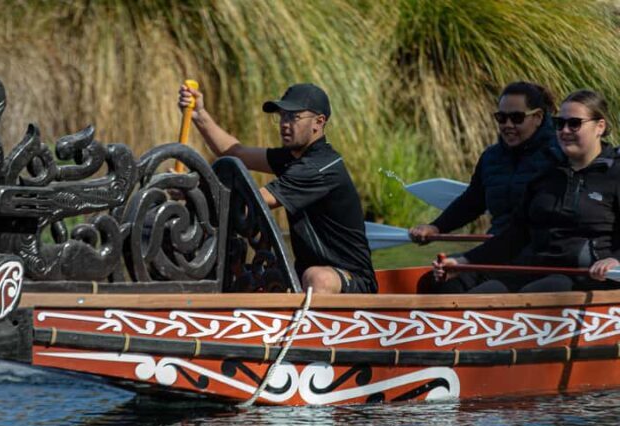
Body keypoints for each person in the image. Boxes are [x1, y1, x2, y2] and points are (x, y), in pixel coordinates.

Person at [178, 82, 376, 294]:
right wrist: (199, 114)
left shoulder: (321, 167)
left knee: (319, 278)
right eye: (282, 116)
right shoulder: (293, 158)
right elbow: (237, 153)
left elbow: (252, 205)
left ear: (318, 122)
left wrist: (193, 191)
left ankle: (314, 326)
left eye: (293, 117)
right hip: (303, 276)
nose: (284, 123)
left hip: (353, 282)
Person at [434, 89, 620, 293]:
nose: (565, 130)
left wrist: (615, 259)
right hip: (537, 270)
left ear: (599, 127)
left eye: (574, 123)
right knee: (483, 293)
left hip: (590, 278)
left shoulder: (615, 174)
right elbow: (516, 234)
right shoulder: (545, 175)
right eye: (559, 123)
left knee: (537, 292)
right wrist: (465, 261)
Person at [409, 81, 561, 292]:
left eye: (516, 118)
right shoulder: (491, 157)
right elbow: (472, 201)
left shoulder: (559, 156)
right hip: (495, 248)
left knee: (474, 290)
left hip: (539, 254)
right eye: (501, 118)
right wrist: (436, 227)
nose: (508, 124)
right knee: (434, 282)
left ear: (538, 117)